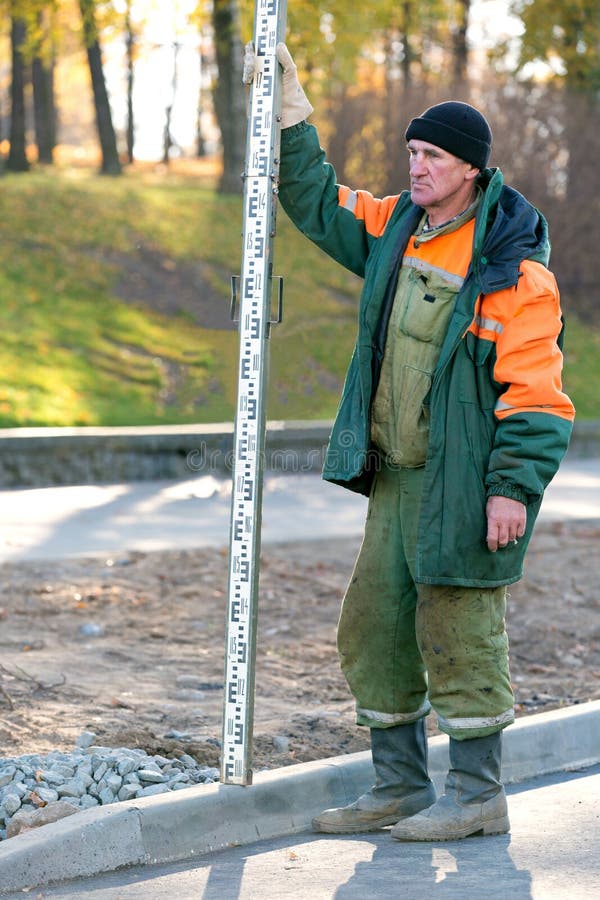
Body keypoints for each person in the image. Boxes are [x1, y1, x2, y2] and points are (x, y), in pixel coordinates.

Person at [244, 43, 575, 841]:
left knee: (459, 626)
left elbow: (538, 396)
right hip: (393, 478)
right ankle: (397, 785)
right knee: (376, 624)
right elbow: (318, 202)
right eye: (413, 154)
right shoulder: (397, 227)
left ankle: (477, 797)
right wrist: (290, 114)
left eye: (430, 156)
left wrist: (510, 490)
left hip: (464, 484)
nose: (416, 167)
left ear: (468, 169)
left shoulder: (511, 269)